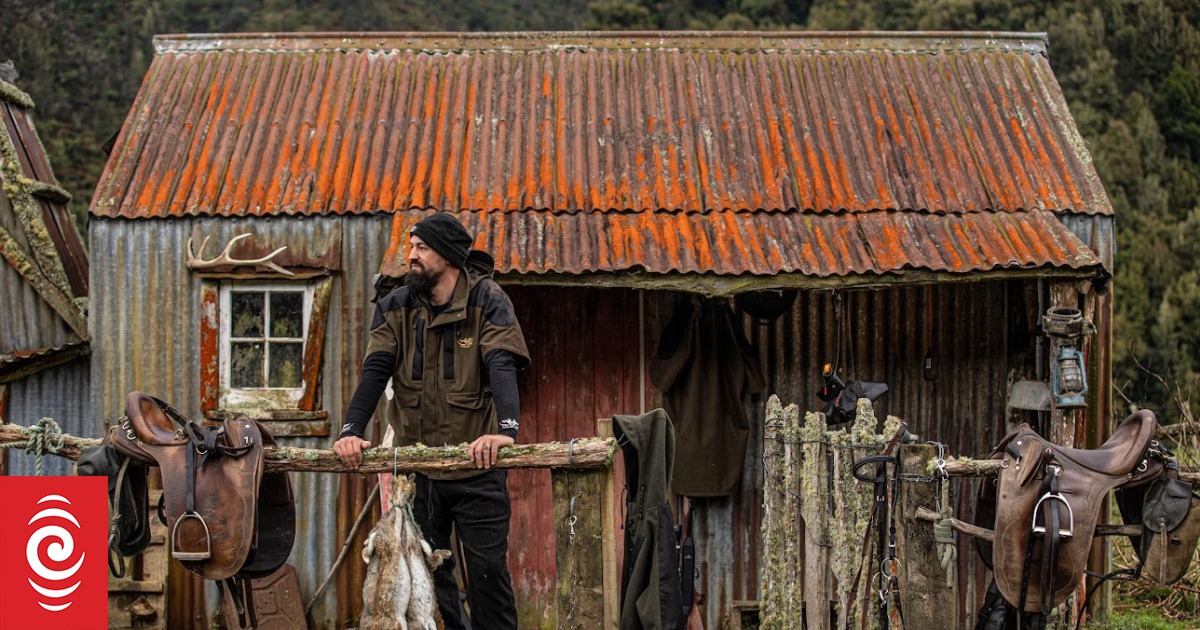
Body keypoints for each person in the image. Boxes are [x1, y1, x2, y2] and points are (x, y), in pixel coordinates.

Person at [334, 212, 529, 630]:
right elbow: (374, 373)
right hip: (418, 472)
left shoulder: (487, 300)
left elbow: (502, 366)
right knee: (430, 582)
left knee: (487, 579)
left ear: (449, 255)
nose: (412, 256)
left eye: (421, 248)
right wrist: (351, 431)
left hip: (477, 468)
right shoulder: (395, 306)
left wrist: (505, 431)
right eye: (411, 247)